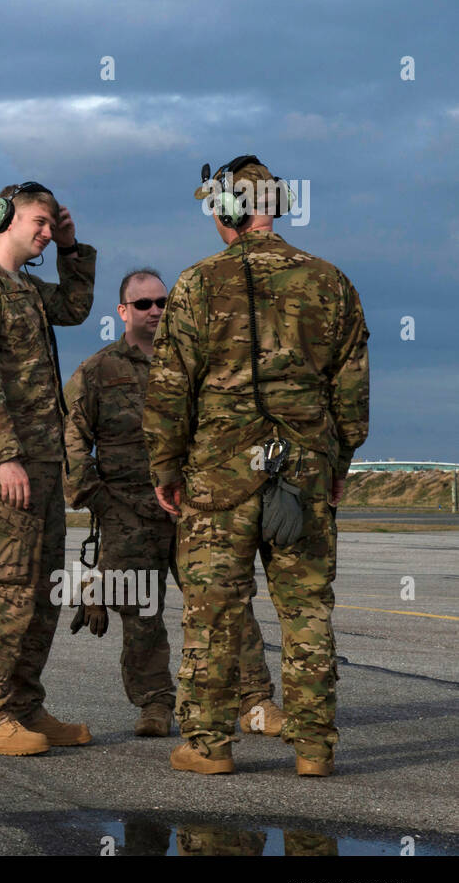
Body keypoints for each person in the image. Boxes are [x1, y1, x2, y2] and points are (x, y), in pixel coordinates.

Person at [144, 156, 369, 776]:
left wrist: (165, 467)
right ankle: (315, 747)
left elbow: (169, 389)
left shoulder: (196, 283)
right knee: (307, 611)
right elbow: (351, 389)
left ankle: (210, 746)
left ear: (231, 210)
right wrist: (339, 460)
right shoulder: (330, 282)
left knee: (211, 612)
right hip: (305, 471)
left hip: (219, 477)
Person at [65, 269, 288, 739]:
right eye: (142, 304)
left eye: (162, 302)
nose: (154, 311)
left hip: (197, 510)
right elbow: (70, 442)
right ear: (122, 311)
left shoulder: (197, 364)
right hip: (128, 515)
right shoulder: (98, 371)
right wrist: (99, 501)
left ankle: (255, 701)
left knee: (225, 603)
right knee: (141, 616)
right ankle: (154, 704)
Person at [0, 182, 96, 755]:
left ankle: (25, 704)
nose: (46, 231)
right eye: (39, 221)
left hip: (43, 465)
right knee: (2, 586)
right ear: (3, 218)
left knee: (41, 590)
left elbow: (77, 308)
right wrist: (6, 457)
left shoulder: (27, 290)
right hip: (3, 468)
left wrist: (71, 247)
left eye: (52, 223)